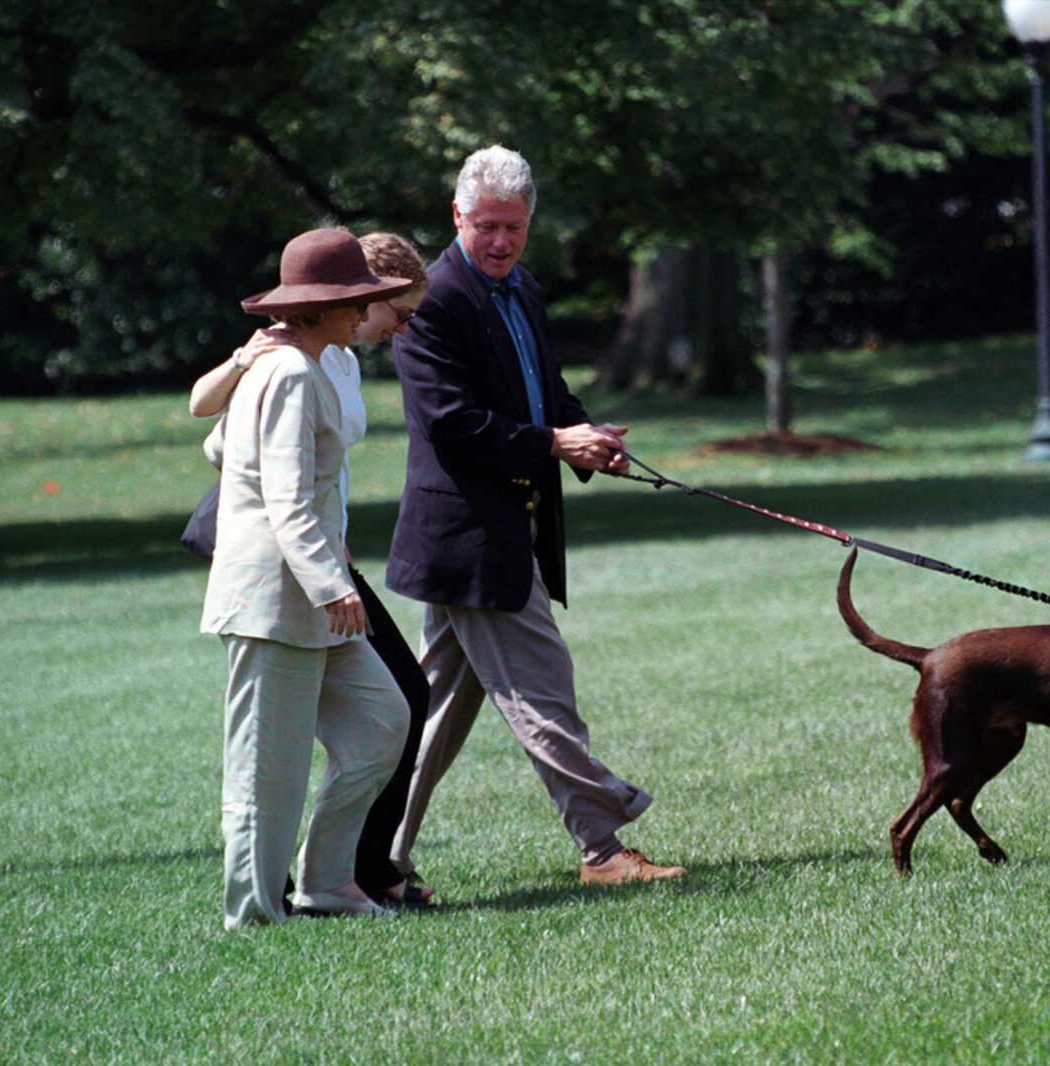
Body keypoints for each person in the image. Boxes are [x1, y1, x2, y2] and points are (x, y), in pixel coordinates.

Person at [386, 145, 686, 887]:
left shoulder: (523, 289)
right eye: (485, 225)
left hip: (507, 532)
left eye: (513, 227)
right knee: (542, 691)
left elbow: (547, 394)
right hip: (470, 541)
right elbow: (450, 422)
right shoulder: (433, 300)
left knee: (424, 723)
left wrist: (591, 446)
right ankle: (604, 847)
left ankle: (367, 860)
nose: (500, 241)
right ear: (456, 217)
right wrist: (554, 442)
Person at [190, 232, 437, 911]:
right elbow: (284, 498)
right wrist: (335, 583)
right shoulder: (289, 372)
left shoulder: (318, 363)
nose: (368, 310)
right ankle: (253, 915)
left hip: (315, 590)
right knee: (264, 772)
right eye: (356, 298)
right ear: (323, 306)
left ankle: (328, 883)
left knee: (384, 719)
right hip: (277, 596)